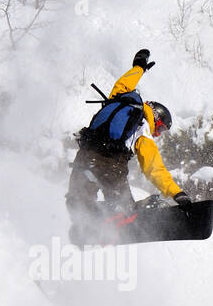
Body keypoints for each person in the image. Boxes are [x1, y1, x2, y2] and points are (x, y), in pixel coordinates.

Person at [67, 48, 192, 243]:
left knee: (78, 205)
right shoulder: (143, 126)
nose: (157, 134)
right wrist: (177, 193)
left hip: (83, 157)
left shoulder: (120, 99)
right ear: (156, 117)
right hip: (109, 164)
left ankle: (85, 228)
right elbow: (153, 168)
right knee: (124, 210)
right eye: (160, 129)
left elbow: (123, 83)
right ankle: (143, 208)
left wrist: (139, 67)